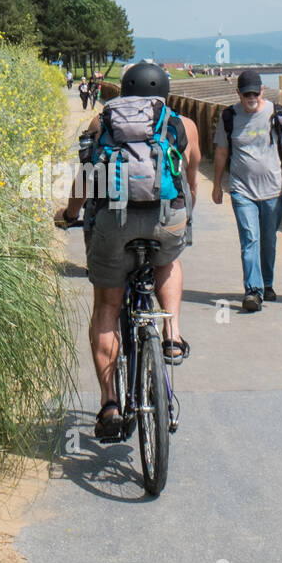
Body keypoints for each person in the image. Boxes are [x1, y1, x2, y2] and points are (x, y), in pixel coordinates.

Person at [56, 61, 200, 440]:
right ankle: (171, 334)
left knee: (106, 306)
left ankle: (109, 405)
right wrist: (184, 214)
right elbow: (190, 175)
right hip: (166, 218)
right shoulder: (182, 125)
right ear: (164, 91)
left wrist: (69, 214)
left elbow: (87, 178)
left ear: (124, 90)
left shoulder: (101, 123)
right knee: (169, 262)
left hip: (114, 225)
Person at [211, 69, 282, 312]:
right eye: (246, 93)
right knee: (250, 238)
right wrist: (217, 184)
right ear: (238, 93)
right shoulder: (229, 117)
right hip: (241, 189)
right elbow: (221, 152)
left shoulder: (277, 114)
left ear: (262, 92)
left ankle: (267, 283)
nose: (251, 97)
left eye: (255, 93)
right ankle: (253, 291)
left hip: (273, 189)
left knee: (268, 240)